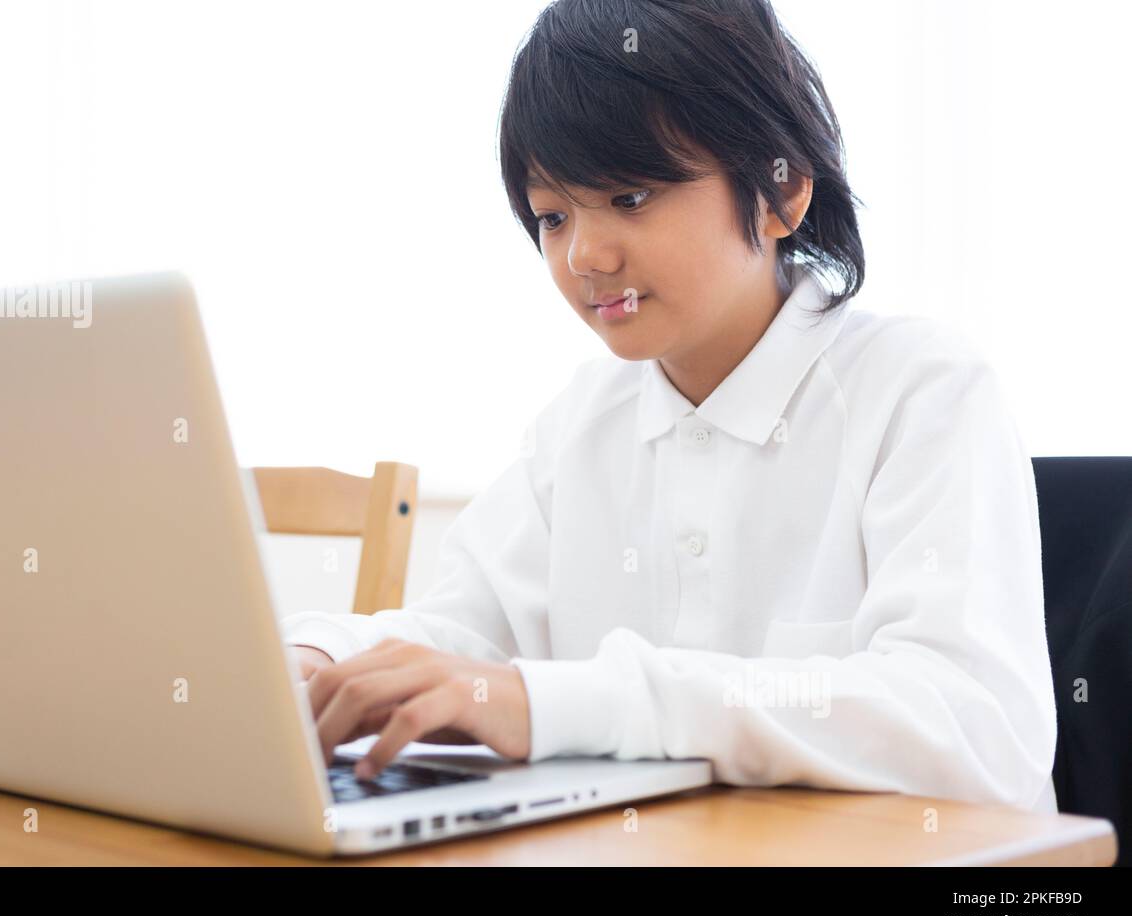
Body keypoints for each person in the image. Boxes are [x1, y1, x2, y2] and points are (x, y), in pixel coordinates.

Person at [283, 0, 1058, 814]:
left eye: (630, 197)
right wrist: (317, 657)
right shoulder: (581, 422)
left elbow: (974, 728)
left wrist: (562, 704)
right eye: (552, 215)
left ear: (781, 190)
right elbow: (463, 632)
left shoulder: (922, 390)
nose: (585, 254)